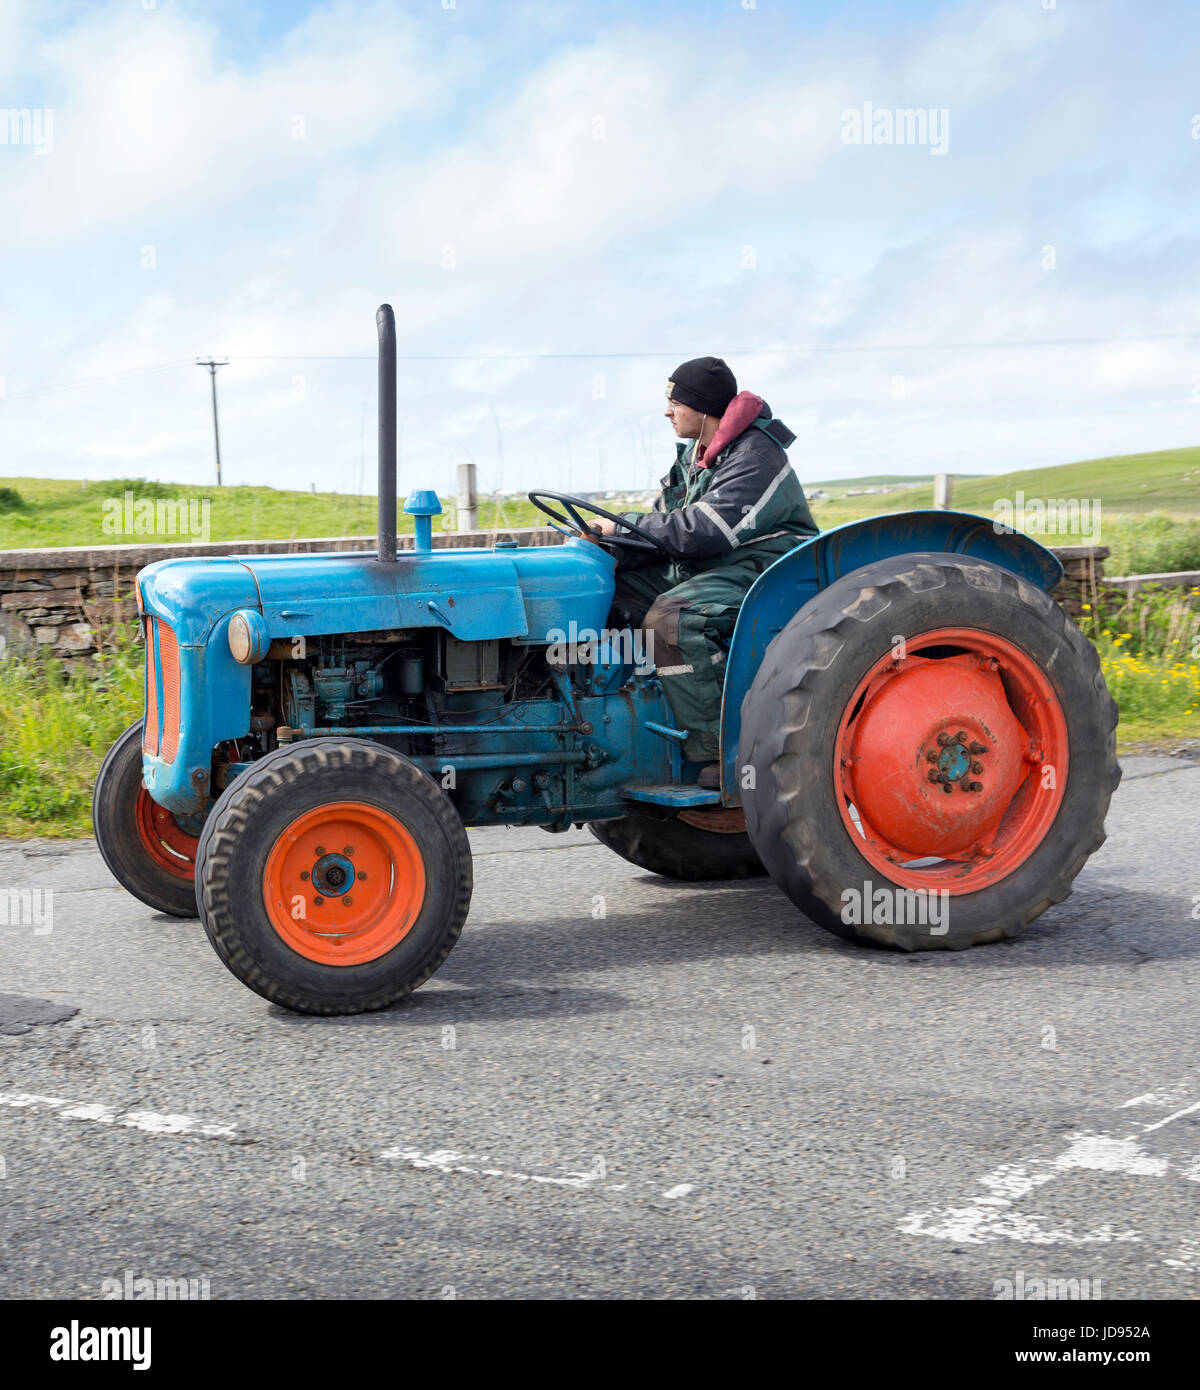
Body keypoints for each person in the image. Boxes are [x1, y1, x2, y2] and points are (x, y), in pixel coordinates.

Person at [592, 356, 818, 788]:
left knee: (672, 619)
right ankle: (622, 718)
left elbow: (704, 530)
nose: (667, 410)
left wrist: (622, 523)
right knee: (612, 587)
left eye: (675, 401)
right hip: (711, 564)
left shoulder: (756, 456)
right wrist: (609, 545)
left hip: (766, 568)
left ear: (703, 406)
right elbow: (665, 527)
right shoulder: (696, 458)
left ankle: (725, 750)